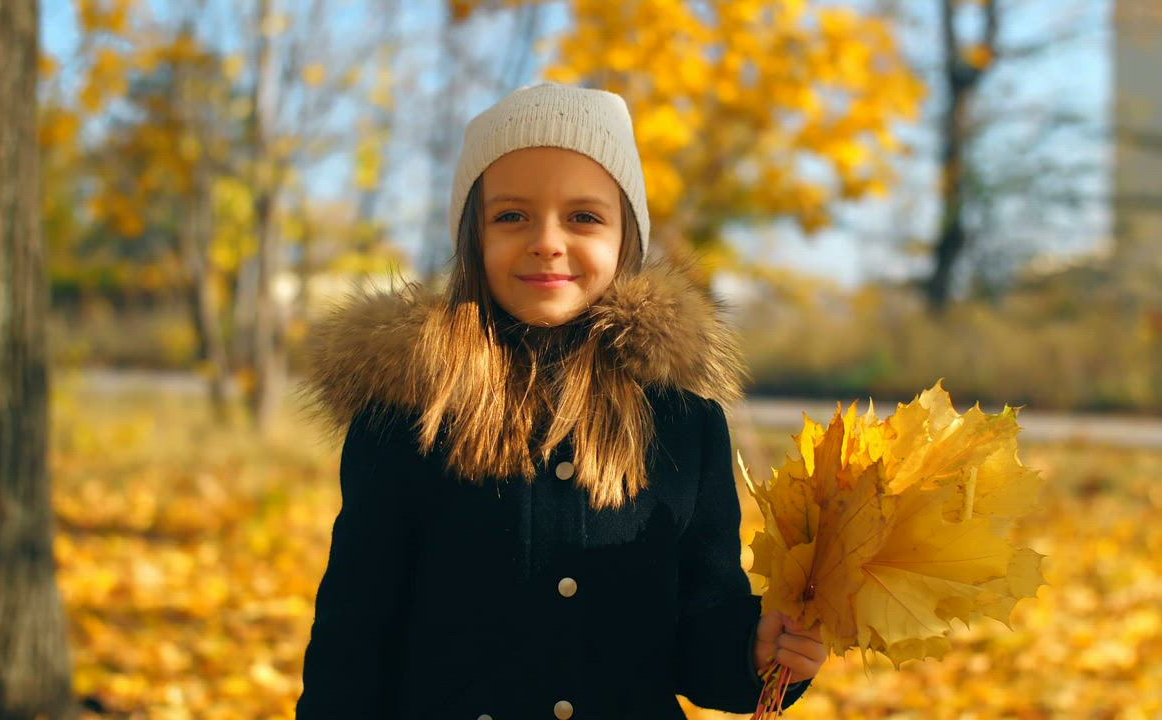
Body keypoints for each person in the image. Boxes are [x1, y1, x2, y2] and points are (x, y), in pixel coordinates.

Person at [295, 82, 825, 720]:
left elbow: (701, 637)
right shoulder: (410, 415)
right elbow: (353, 638)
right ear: (473, 237)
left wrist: (756, 653)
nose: (547, 240)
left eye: (583, 217)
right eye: (511, 216)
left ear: (627, 238)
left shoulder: (684, 424)